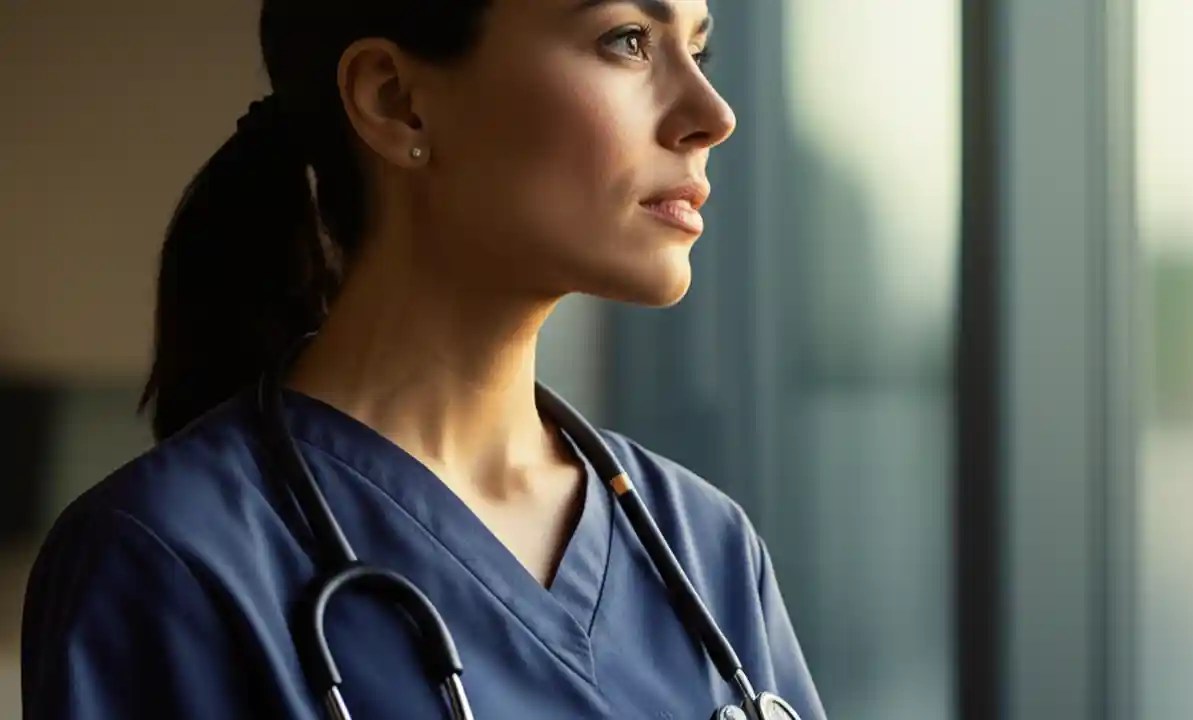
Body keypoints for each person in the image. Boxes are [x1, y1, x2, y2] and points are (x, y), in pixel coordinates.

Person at [21, 0, 827, 717]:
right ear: (395, 101)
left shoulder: (704, 549)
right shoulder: (169, 557)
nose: (712, 113)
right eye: (627, 40)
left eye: (701, 49)